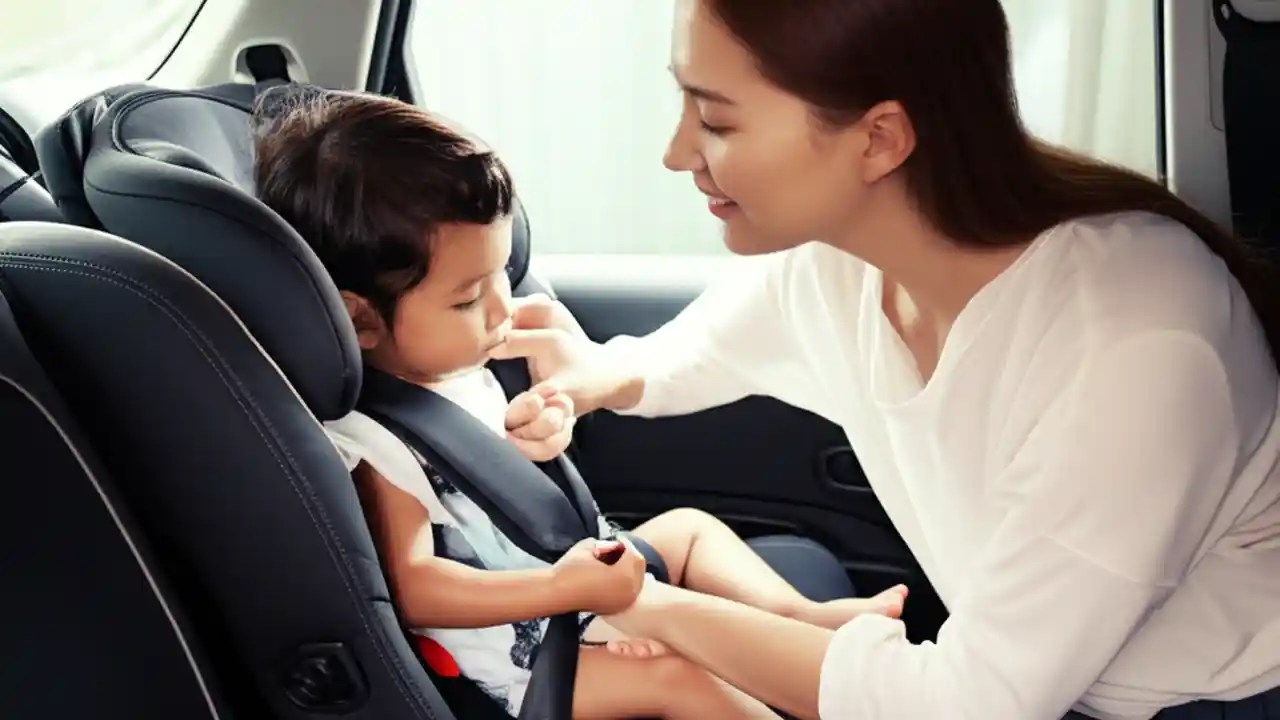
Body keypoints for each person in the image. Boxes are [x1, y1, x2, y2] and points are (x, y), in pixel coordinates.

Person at [488, 0, 1280, 718]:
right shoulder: (840, 266)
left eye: (717, 121)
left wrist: (643, 603)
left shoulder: (1138, 347)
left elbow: (967, 705)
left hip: (1198, 704)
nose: (675, 152)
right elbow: (692, 355)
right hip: (1044, 680)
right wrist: (594, 373)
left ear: (879, 138)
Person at [251, 90, 906, 720]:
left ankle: (799, 620)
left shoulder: (466, 368)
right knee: (678, 675)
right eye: (466, 298)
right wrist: (566, 593)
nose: (500, 309)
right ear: (358, 320)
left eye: (500, 278)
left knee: (690, 528)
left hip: (578, 581)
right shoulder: (374, 441)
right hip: (526, 656)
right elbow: (416, 588)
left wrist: (555, 423)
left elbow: (513, 489)